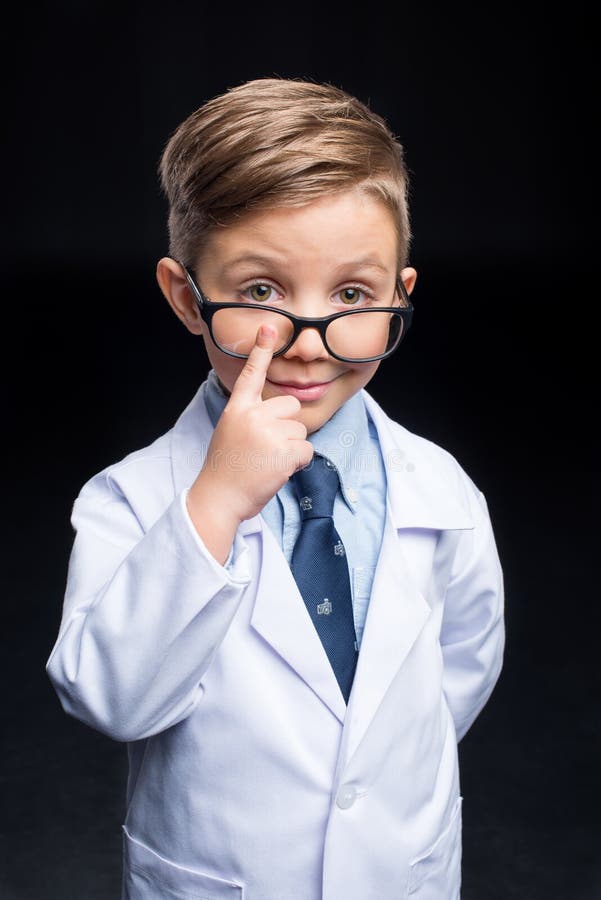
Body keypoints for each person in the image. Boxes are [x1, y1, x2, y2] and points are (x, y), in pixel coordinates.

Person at [46, 77, 504, 900]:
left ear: (400, 295)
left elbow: (457, 674)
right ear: (186, 298)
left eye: (352, 296)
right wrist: (215, 502)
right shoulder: (132, 498)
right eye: (260, 292)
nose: (304, 342)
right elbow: (112, 698)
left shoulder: (440, 489)